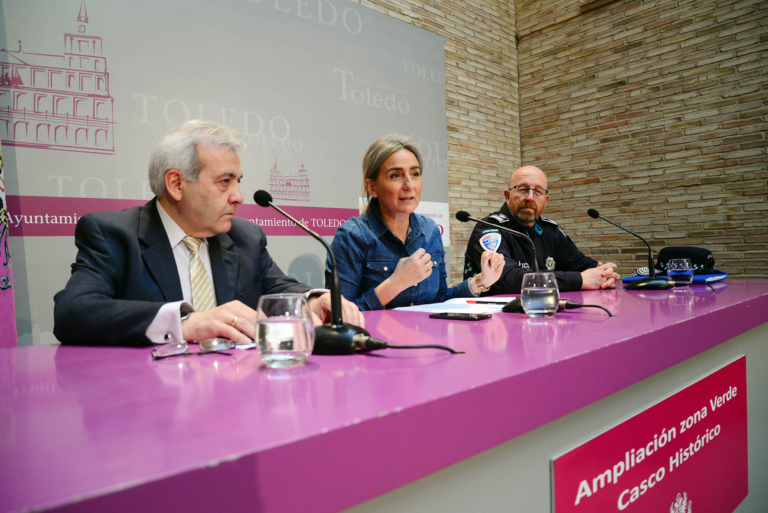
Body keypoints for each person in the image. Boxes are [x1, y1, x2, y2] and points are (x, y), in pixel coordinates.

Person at [54, 120, 363, 347]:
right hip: (152, 406)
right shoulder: (114, 234)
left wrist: (312, 299)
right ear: (176, 184)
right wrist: (186, 322)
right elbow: (73, 312)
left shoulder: (245, 238)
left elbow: (279, 288)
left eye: (238, 180)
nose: (239, 196)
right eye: (224, 181)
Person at [326, 135, 504, 311]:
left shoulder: (430, 230)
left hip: (425, 337)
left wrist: (481, 281)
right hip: (374, 339)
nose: (409, 184)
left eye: (415, 174)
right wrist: (396, 283)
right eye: (396, 175)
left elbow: (440, 299)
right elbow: (337, 315)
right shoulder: (352, 235)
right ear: (372, 187)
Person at [463, 165, 620, 294]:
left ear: (545, 201)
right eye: (523, 189)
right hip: (493, 321)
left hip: (544, 313)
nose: (530, 197)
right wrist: (580, 279)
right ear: (507, 196)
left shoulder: (550, 231)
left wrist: (603, 273)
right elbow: (508, 279)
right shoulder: (489, 230)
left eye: (538, 191)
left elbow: (579, 263)